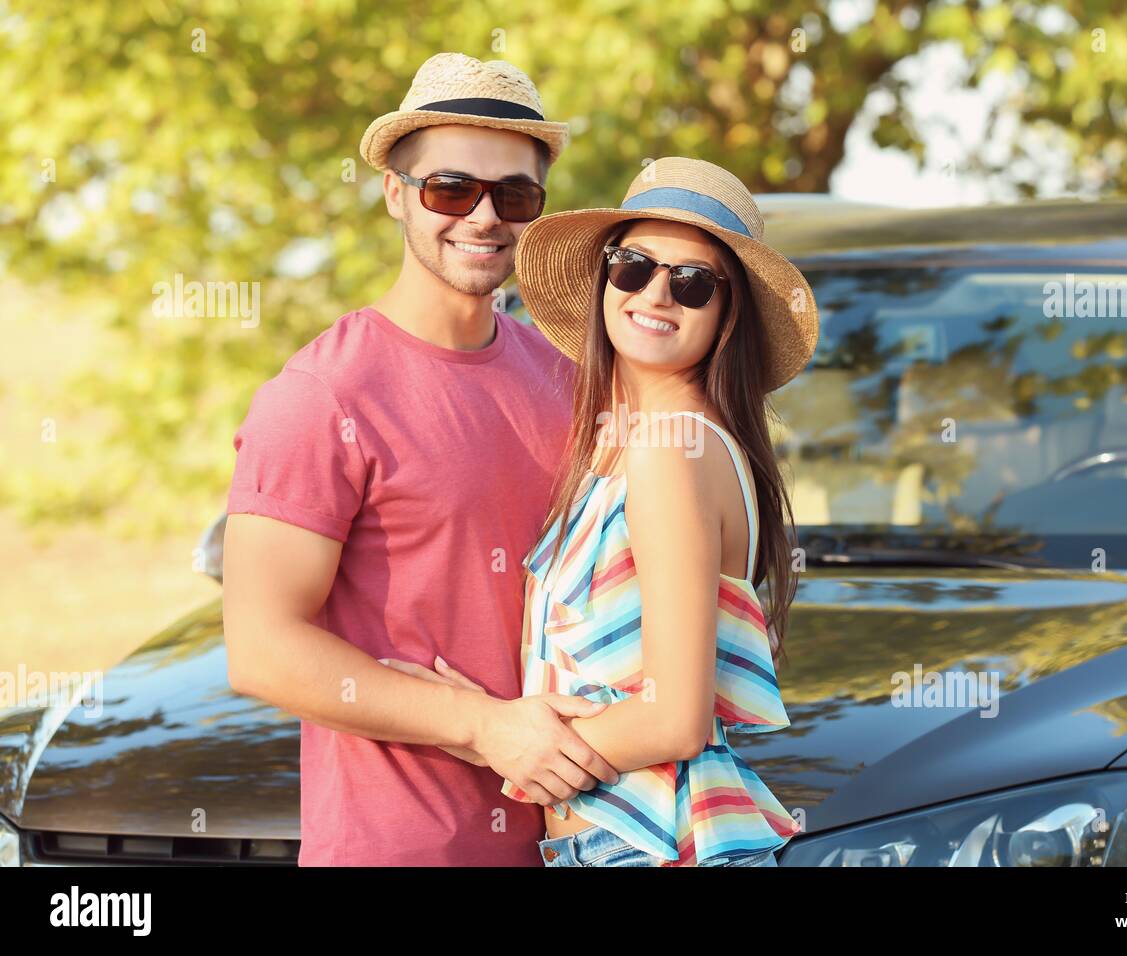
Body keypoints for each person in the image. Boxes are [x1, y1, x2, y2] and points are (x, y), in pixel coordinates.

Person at [220, 52, 620, 867]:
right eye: (450, 188)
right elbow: (261, 648)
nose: (482, 216)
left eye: (513, 194)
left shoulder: (573, 385)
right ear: (396, 193)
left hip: (586, 843)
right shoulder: (324, 395)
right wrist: (483, 726)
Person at [433, 156, 819, 866]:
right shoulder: (641, 445)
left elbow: (676, 720)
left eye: (694, 283)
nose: (656, 295)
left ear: (730, 313)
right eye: (633, 265)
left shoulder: (672, 453)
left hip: (639, 846)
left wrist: (506, 746)